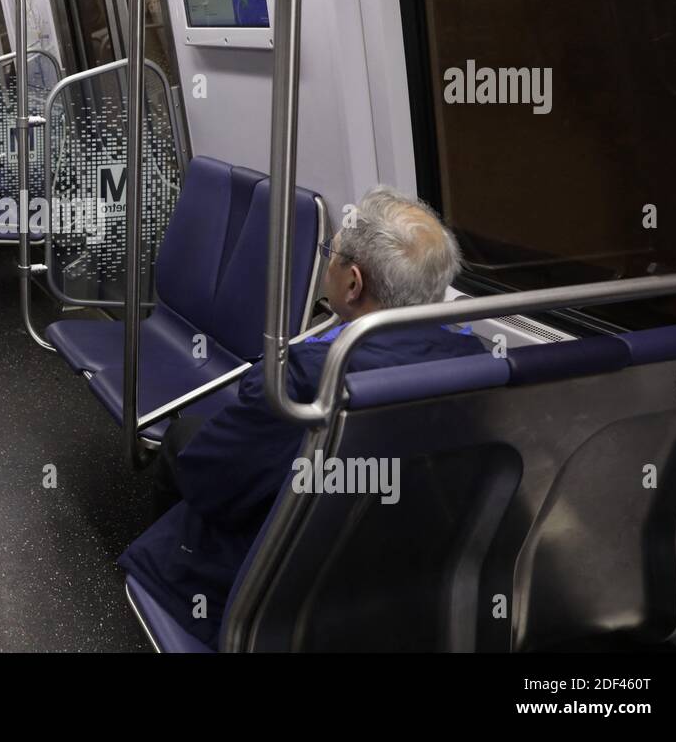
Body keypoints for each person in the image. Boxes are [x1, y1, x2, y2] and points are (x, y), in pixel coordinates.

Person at [120, 185, 488, 648]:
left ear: (353, 283)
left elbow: (211, 483)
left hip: (291, 576)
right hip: (401, 565)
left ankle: (174, 580)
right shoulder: (474, 358)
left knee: (184, 442)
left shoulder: (302, 381)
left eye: (328, 255)